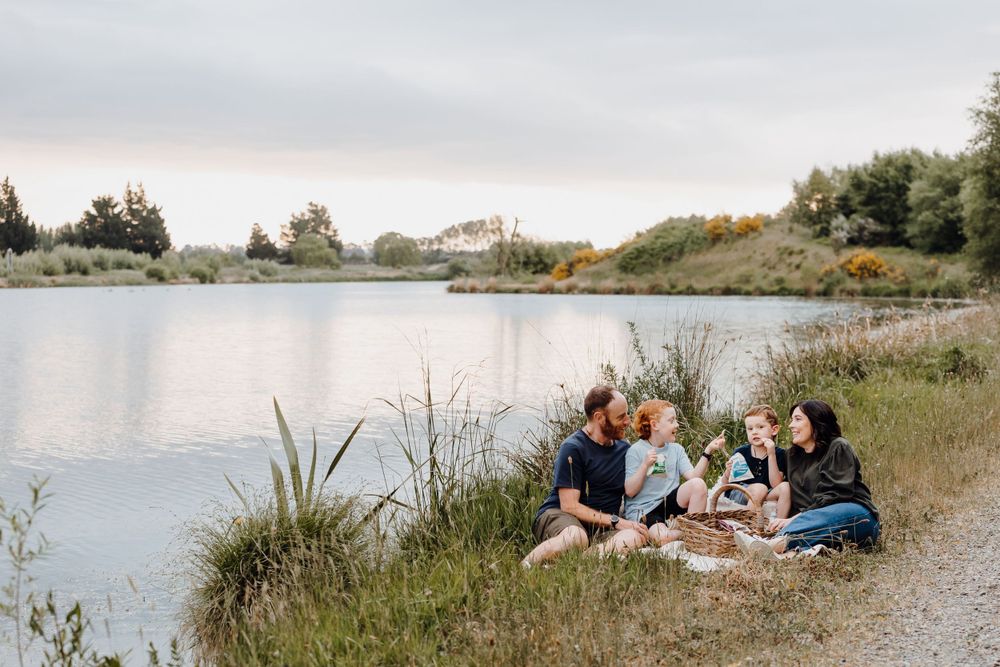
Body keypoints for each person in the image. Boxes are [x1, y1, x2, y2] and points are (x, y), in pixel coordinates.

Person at [522, 386, 649, 566]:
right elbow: (569, 506)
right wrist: (616, 521)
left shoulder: (625, 449)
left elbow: (639, 487)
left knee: (635, 536)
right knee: (576, 536)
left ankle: (581, 562)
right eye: (621, 417)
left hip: (601, 526)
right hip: (561, 516)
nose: (628, 421)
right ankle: (526, 566)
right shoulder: (573, 448)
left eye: (626, 415)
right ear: (599, 417)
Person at [766, 399, 880, 551]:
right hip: (812, 525)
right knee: (811, 532)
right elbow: (777, 486)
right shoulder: (792, 455)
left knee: (830, 516)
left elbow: (835, 495)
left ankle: (775, 543)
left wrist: (794, 520)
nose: (791, 425)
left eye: (797, 419)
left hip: (854, 516)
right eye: (791, 420)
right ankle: (779, 545)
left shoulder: (838, 447)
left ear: (816, 421)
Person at [622, 399, 726, 546]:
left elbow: (693, 477)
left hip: (670, 504)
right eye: (671, 421)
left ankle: (690, 528)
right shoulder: (636, 451)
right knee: (663, 539)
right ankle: (691, 533)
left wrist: (708, 451)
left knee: (698, 484)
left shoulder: (676, 449)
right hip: (646, 510)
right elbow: (630, 491)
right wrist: (645, 466)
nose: (677, 425)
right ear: (654, 425)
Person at [720, 404, 791, 519]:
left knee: (786, 487)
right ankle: (747, 524)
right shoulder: (741, 452)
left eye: (760, 427)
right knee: (759, 488)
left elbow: (776, 484)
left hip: (767, 492)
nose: (754, 432)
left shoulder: (779, 453)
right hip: (741, 492)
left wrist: (771, 454)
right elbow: (725, 484)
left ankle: (779, 526)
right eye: (750, 428)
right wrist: (728, 472)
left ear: (774, 430)